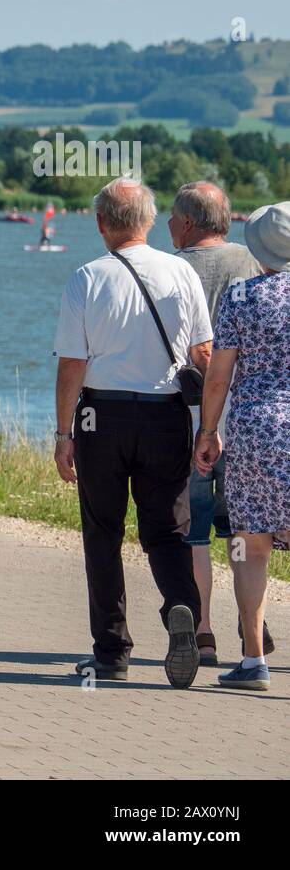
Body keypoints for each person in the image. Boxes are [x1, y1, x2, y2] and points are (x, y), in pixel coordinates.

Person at [53, 177, 209, 689]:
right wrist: (210, 425)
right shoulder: (181, 272)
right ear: (148, 220)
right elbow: (203, 355)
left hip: (102, 417)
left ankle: (112, 652)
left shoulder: (86, 277)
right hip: (166, 415)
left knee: (103, 533)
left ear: (101, 223)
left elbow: (72, 364)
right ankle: (182, 610)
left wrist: (62, 433)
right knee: (166, 531)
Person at [194, 201, 290, 691]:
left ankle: (254, 661)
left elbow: (218, 378)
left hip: (256, 432)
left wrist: (209, 433)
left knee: (252, 550)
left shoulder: (242, 297)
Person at [167, 181, 263, 666]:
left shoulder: (170, 268)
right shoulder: (252, 263)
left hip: (187, 414)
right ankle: (252, 619)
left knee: (195, 529)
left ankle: (203, 629)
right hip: (247, 415)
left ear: (186, 223)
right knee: (245, 529)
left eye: (171, 218)